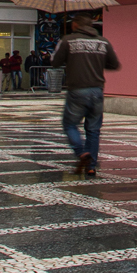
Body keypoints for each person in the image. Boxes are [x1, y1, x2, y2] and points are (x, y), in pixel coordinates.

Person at [52, 12, 120, 176]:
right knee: (93, 130)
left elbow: (55, 63)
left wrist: (69, 57)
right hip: (97, 90)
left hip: (77, 90)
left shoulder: (68, 40)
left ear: (75, 25)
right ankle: (91, 166)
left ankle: (81, 152)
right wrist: (97, 63)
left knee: (69, 124)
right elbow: (114, 64)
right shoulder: (103, 42)